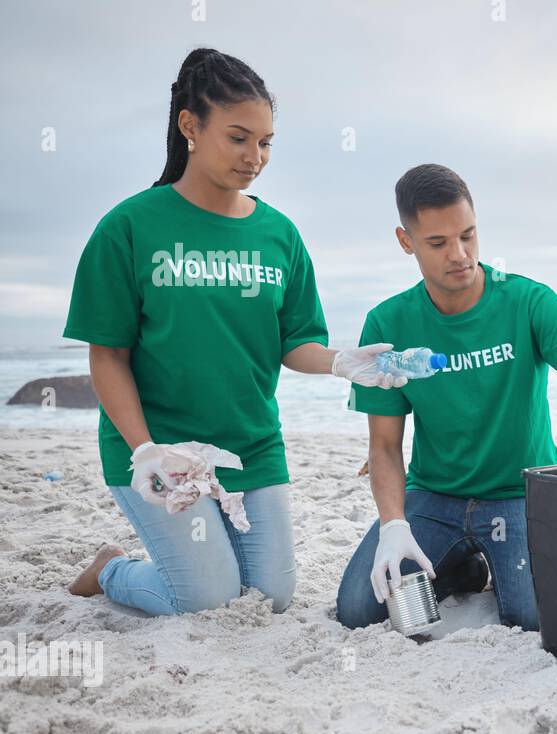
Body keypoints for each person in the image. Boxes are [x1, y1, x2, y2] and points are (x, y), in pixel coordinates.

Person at [63, 49, 405, 615]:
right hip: (161, 446)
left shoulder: (279, 234)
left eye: (267, 142)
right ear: (190, 126)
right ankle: (112, 570)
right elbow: (108, 356)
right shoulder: (128, 227)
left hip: (251, 446)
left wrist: (342, 361)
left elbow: (295, 343)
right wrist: (144, 449)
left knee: (271, 597)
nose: (255, 157)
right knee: (205, 598)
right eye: (239, 138)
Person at [335, 164, 557, 630]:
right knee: (360, 608)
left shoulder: (529, 302)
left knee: (530, 615)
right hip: (434, 496)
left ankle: (486, 561)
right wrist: (393, 524)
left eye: (468, 235)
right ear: (406, 242)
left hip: (521, 493)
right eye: (438, 243)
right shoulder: (387, 324)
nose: (459, 254)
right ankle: (463, 565)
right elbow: (383, 445)